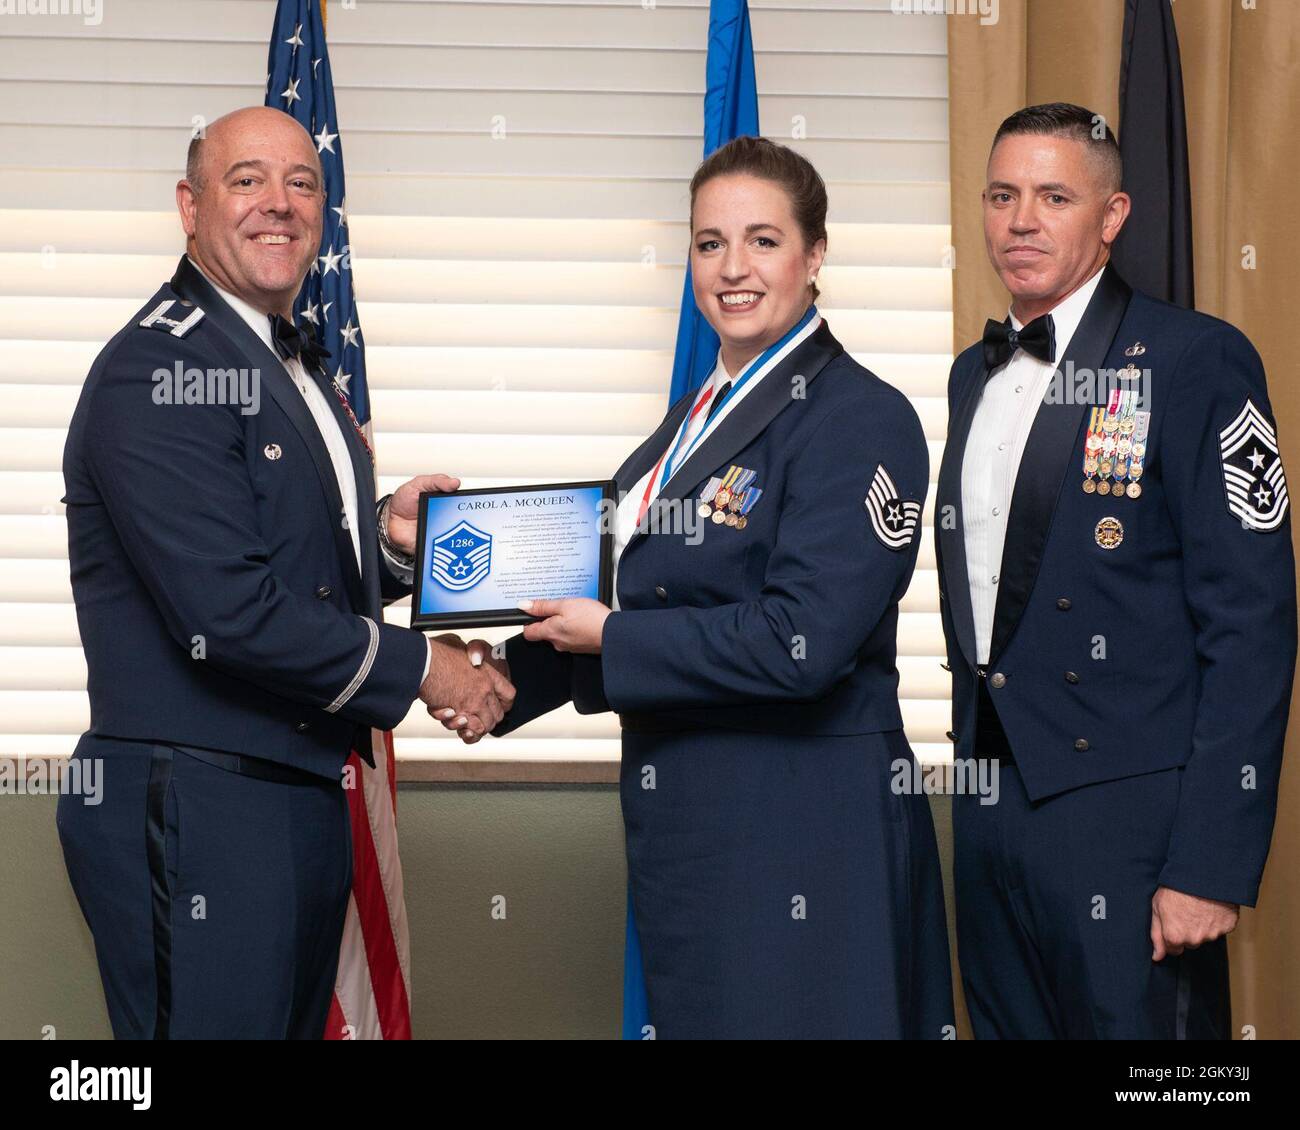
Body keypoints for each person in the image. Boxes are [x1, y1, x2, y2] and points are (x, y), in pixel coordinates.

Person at [443, 137, 954, 1039]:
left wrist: (611, 640)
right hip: (697, 838)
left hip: (802, 837)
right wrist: (500, 683)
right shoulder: (690, 420)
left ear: (815, 253)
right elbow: (633, 603)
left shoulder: (858, 417)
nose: (733, 268)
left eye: (762, 240)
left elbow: (803, 644)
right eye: (709, 243)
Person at [57, 106, 513, 1039]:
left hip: (285, 791)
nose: (280, 204)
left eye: (302, 183)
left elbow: (289, 569)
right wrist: (430, 669)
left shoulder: (279, 356)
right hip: (198, 801)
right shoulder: (163, 366)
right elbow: (228, 612)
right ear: (190, 206)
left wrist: (388, 543)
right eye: (247, 180)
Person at [936, 103, 1296, 1039]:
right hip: (988, 806)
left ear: (1113, 215)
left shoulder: (1195, 360)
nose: (1022, 221)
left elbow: (1252, 628)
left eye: (1055, 196)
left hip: (1132, 822)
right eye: (1003, 195)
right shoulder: (969, 376)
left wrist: (1209, 865)